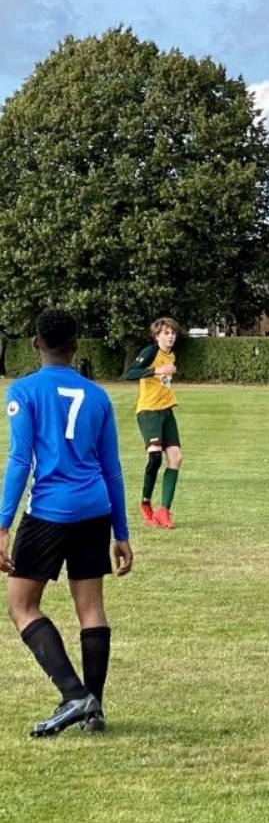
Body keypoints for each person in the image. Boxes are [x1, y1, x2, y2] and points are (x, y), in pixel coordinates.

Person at [0, 309, 133, 737]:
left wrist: (2, 525)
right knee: (91, 607)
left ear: (36, 343)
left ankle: (75, 695)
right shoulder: (97, 396)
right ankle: (94, 711)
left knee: (21, 605)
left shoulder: (24, 390)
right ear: (76, 346)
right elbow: (112, 468)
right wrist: (123, 533)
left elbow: (21, 460)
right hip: (95, 510)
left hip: (51, 511)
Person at [122, 316, 183, 528]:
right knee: (155, 457)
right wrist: (157, 370)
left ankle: (164, 510)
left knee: (176, 458)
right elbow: (129, 374)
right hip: (149, 411)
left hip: (166, 412)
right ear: (157, 336)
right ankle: (145, 502)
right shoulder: (151, 352)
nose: (171, 336)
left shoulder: (172, 356)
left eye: (173, 333)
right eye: (166, 333)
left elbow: (164, 384)